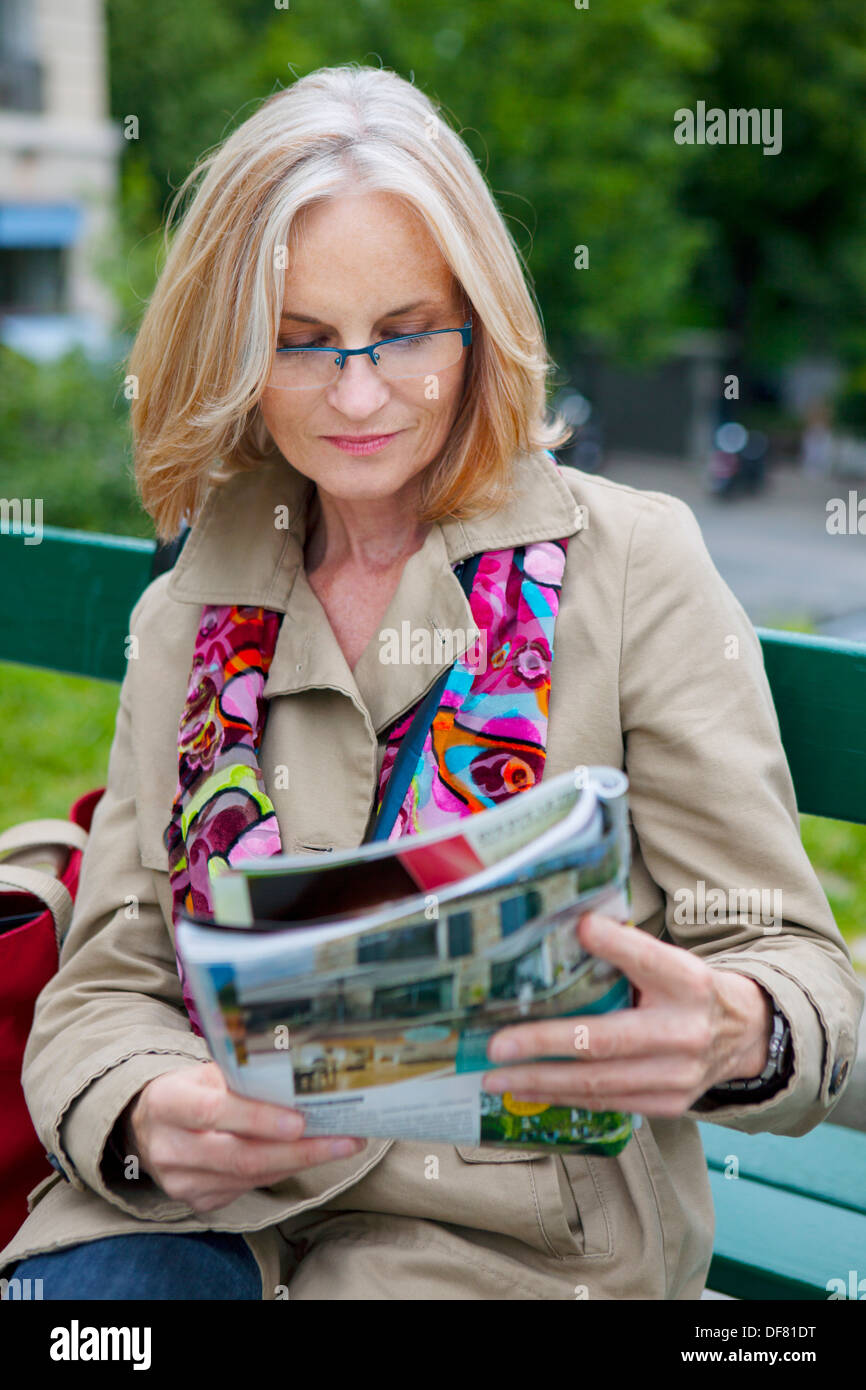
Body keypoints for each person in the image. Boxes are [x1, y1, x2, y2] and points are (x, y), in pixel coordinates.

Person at [1, 63, 861, 1302]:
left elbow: (792, 959)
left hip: (508, 1248)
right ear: (235, 351)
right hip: (196, 1230)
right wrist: (143, 1107)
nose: (358, 395)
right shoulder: (191, 599)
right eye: (300, 347)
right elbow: (110, 983)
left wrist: (738, 1026)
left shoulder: (627, 565)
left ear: (476, 319)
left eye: (404, 332)